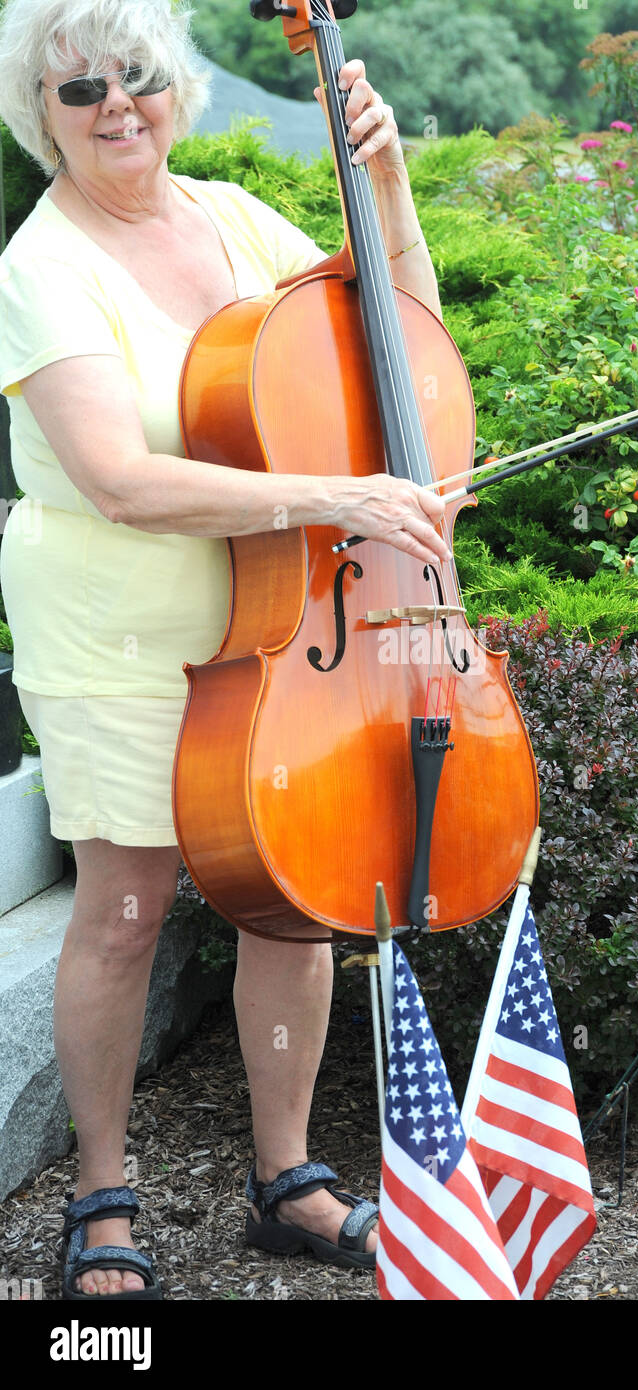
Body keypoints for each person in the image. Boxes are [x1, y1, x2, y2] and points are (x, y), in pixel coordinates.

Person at [0, 0, 448, 1299]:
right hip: (120, 629)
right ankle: (99, 1192)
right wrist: (333, 499)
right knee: (126, 910)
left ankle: (288, 1177)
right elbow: (124, 480)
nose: (115, 103)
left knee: (287, 893)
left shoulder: (237, 221)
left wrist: (389, 184)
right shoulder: (41, 267)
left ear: (173, 84)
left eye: (134, 74)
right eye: (80, 89)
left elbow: (403, 351)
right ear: (44, 115)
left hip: (273, 617)